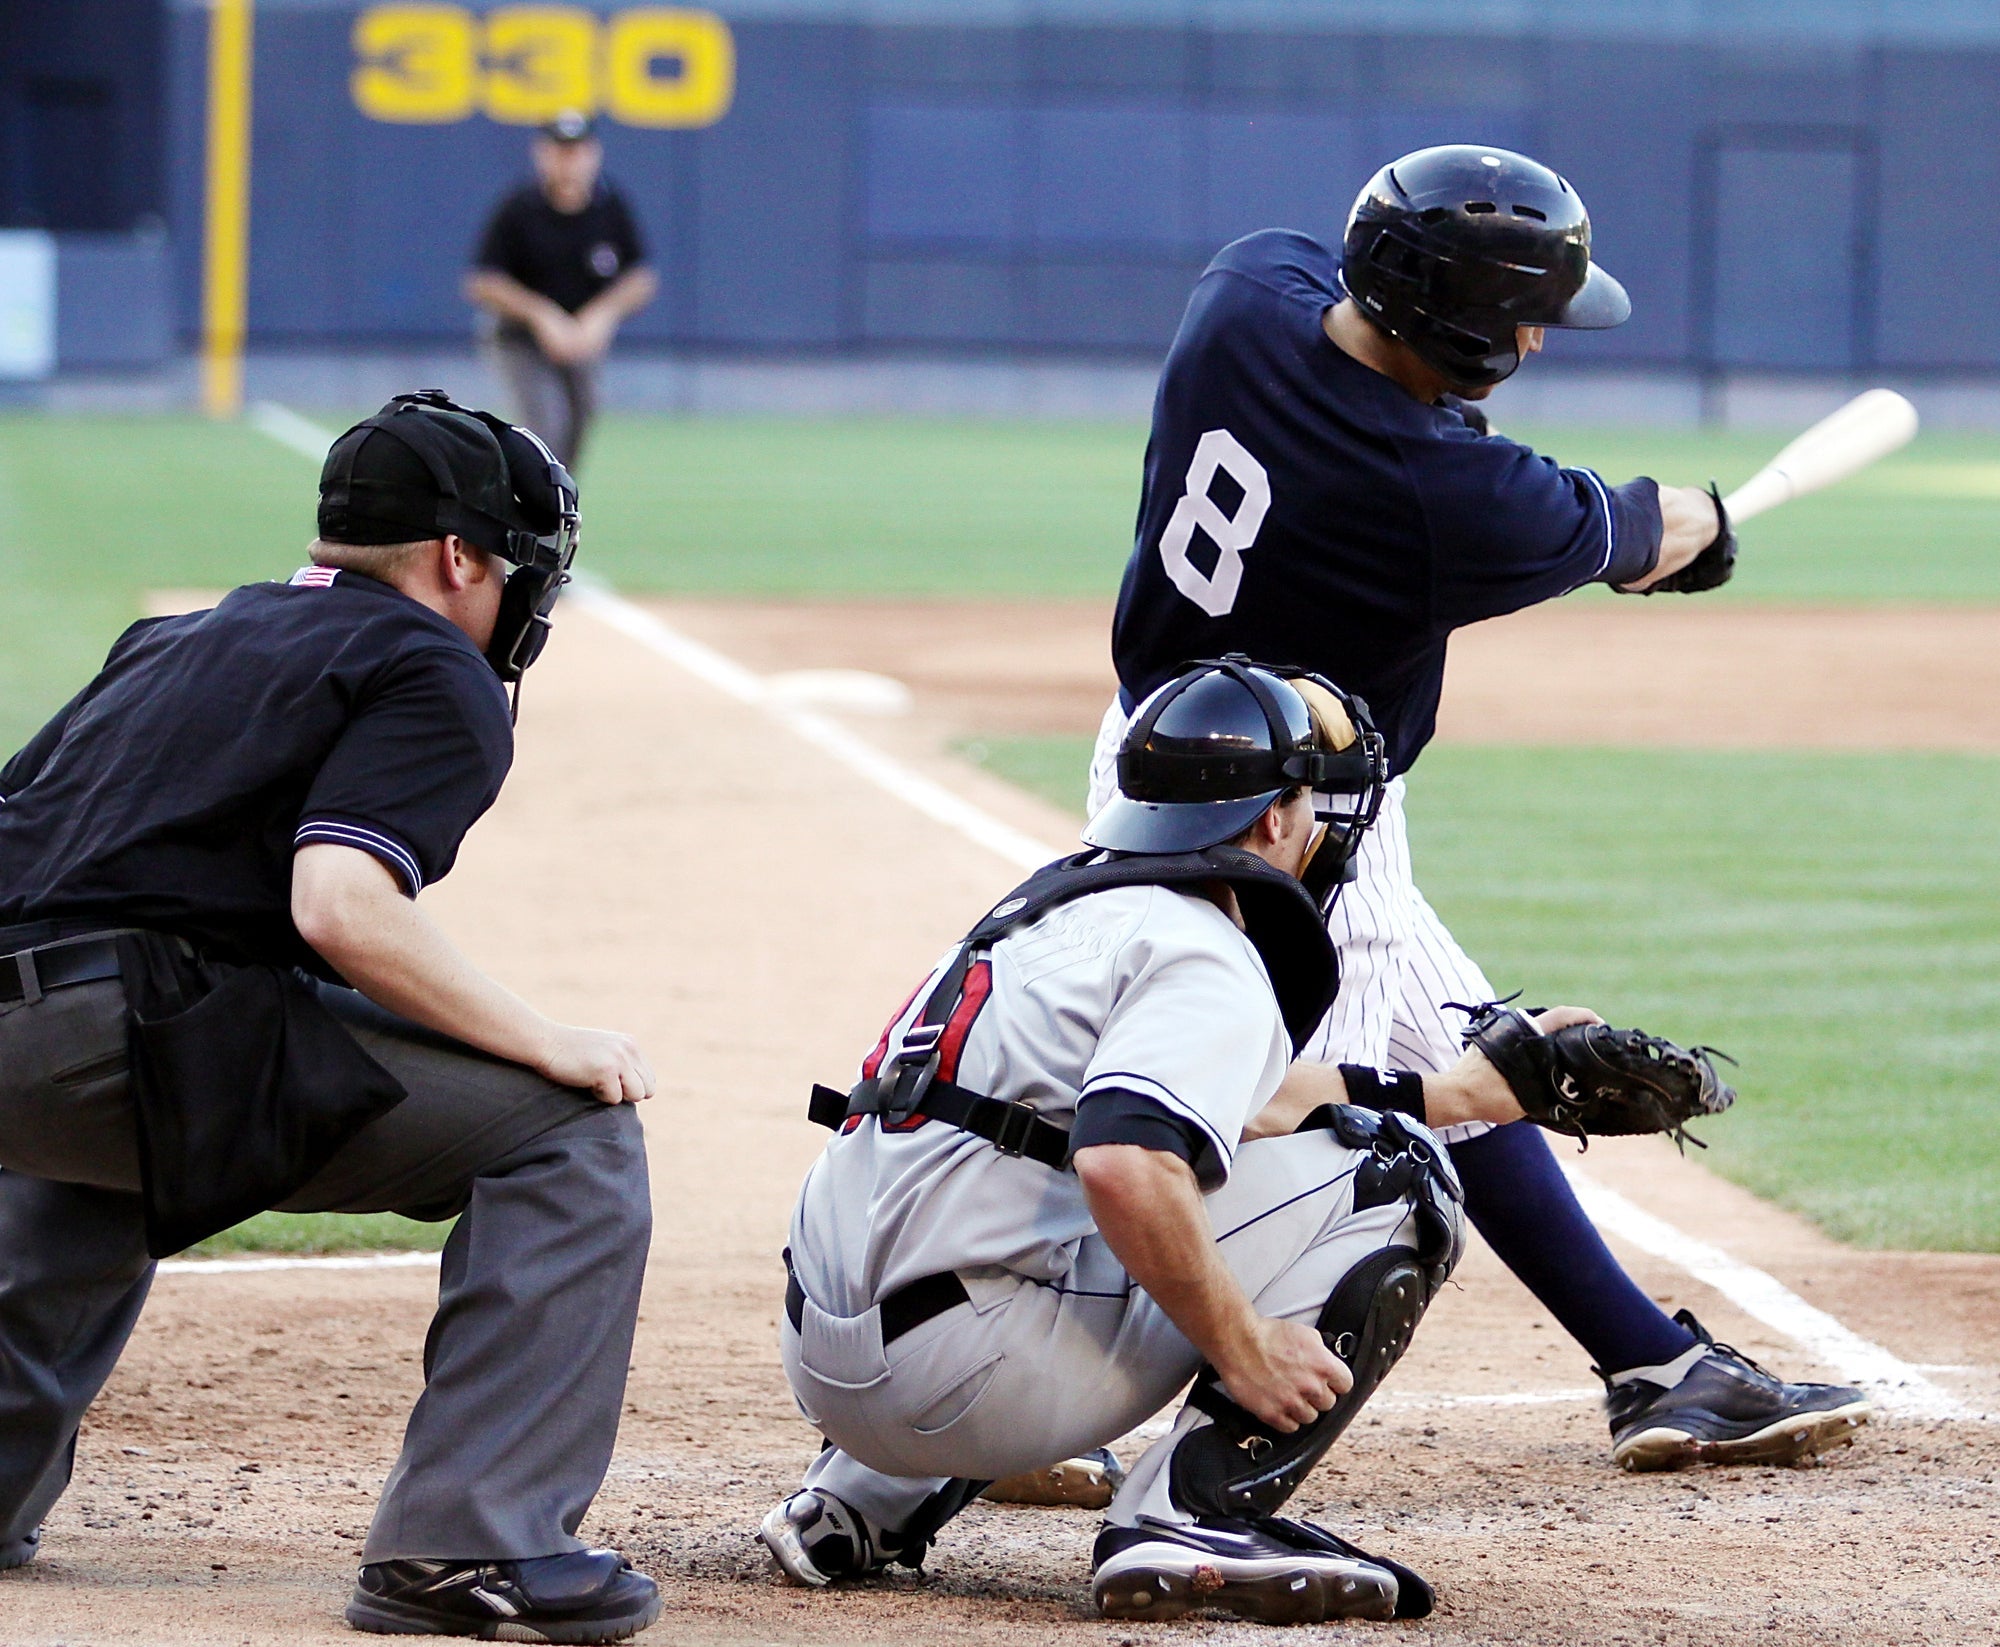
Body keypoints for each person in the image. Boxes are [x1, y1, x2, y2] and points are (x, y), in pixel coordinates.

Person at [1088, 144, 1870, 1472]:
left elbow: (1500, 465)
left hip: (1156, 752)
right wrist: (1702, 527)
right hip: (1299, 825)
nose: (1537, 338)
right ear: (1463, 329)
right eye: (1524, 317)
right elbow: (1638, 530)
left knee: (1460, 1047)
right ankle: (1178, 1460)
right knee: (1320, 1138)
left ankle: (1653, 1363)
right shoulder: (1445, 497)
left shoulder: (1247, 290)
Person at [0, 391, 664, 1642]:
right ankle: (471, 1545)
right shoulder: (433, 666)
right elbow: (341, 905)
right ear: (458, 558)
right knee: (570, 1133)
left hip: (34, 1040)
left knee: (128, 1105)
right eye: (516, 564)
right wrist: (544, 1041)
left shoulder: (173, 640)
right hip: (110, 1035)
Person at [757, 659, 1595, 1625]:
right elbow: (1125, 1163)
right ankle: (1191, 1515)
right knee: (1397, 1173)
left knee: (1050, 1176)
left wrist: (1452, 1092)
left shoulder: (1054, 909)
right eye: (1311, 804)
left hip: (827, 1365)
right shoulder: (1201, 946)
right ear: (1272, 819)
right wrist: (1245, 1346)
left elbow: (1241, 1102)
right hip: (963, 1378)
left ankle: (865, 1497)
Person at [466, 112, 657, 472]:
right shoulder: (520, 208)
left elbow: (640, 278)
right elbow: (483, 281)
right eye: (559, 151)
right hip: (520, 340)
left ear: (594, 154)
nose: (569, 162)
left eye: (577, 151)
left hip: (580, 341)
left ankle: (554, 501)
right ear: (541, 154)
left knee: (576, 430)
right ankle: (524, 500)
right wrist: (542, 315)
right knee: (545, 429)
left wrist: (603, 314)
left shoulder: (610, 206)